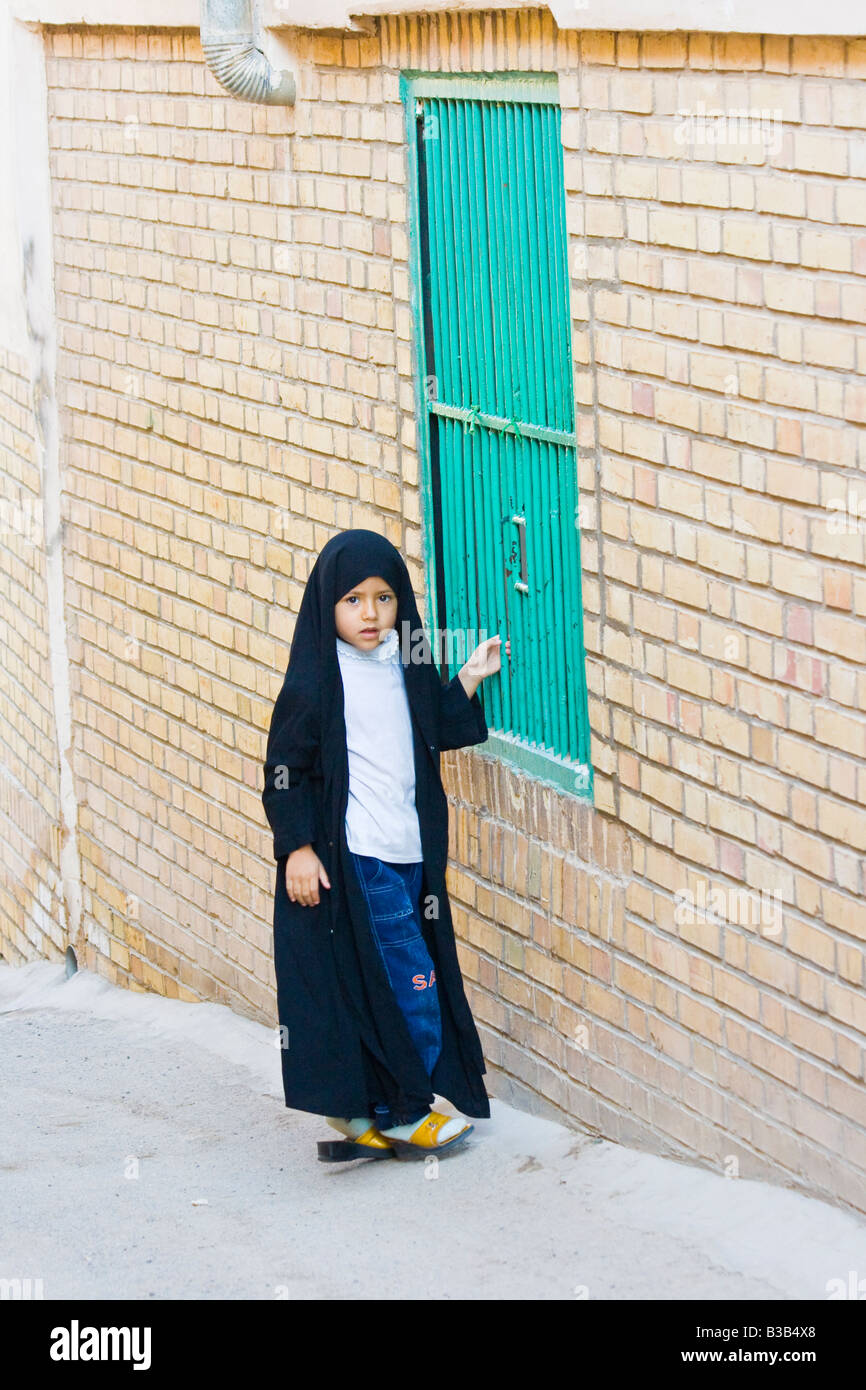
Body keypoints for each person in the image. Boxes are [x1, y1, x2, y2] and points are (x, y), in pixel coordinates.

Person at [262, 528, 509, 1159]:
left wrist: (469, 681)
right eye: (353, 600)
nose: (370, 614)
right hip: (360, 855)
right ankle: (406, 1110)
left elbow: (430, 730)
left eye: (384, 598)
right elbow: (284, 767)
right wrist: (297, 847)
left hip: (409, 854)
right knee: (412, 980)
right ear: (328, 607)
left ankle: (362, 1106)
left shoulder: (408, 661)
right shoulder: (317, 680)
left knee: (381, 981)